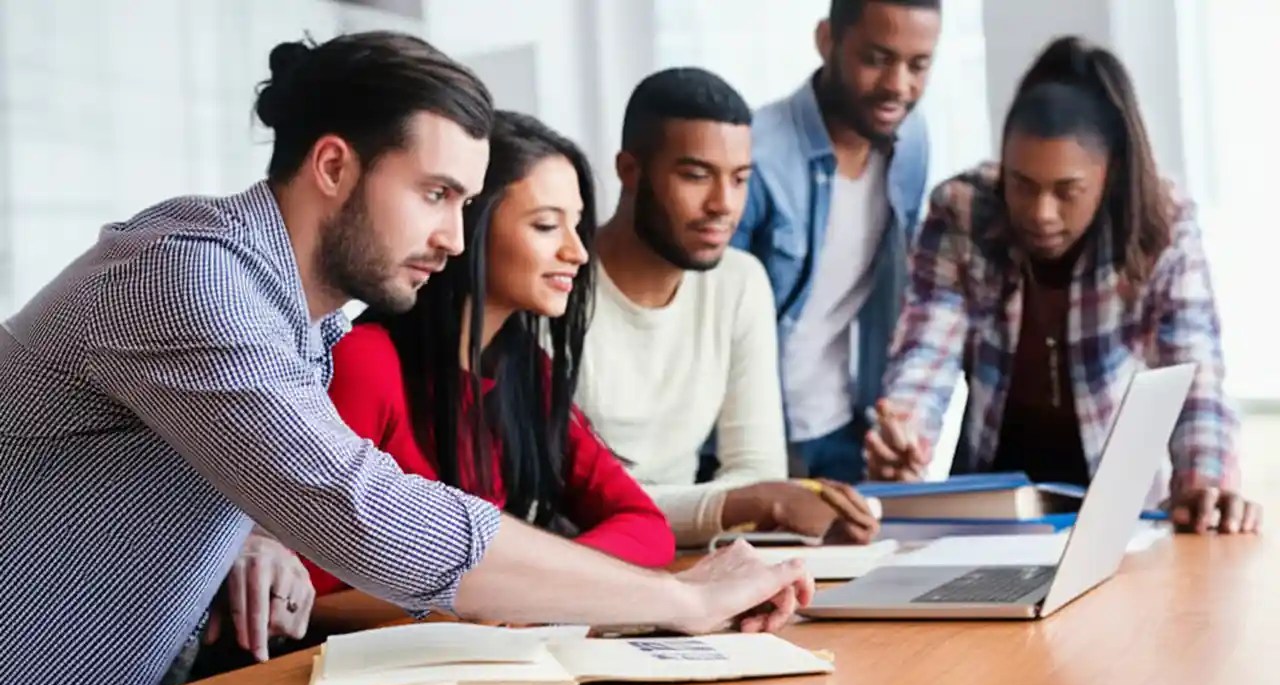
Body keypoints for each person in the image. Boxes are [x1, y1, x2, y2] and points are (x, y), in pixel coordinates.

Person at [0, 33, 813, 685]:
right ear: (332, 167)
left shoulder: (290, 314)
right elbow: (369, 515)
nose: (456, 240)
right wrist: (684, 600)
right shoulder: (191, 281)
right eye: (435, 194)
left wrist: (252, 534)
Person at [866, 36, 1262, 535]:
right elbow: (925, 352)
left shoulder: (1162, 224)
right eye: (1021, 184)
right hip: (993, 507)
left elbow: (1195, 373)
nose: (1040, 213)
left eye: (1067, 191)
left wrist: (1206, 484)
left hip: (1121, 515)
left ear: (1107, 175)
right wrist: (907, 440)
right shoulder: (962, 211)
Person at [299, 110, 676, 600]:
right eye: (545, 226)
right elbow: (313, 586)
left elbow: (646, 526)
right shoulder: (365, 361)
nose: (578, 252)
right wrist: (506, 594)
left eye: (577, 226)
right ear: (469, 227)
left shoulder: (523, 371)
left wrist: (529, 590)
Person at [575, 67, 880, 550]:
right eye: (696, 176)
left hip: (686, 561)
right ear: (630, 172)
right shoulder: (558, 287)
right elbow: (567, 509)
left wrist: (752, 503)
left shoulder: (740, 282)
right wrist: (745, 505)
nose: (723, 204)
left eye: (739, 179)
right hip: (580, 569)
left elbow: (757, 471)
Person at [730, 0, 941, 483]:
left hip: (844, 428)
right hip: (754, 443)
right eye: (876, 58)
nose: (898, 85)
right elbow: (716, 324)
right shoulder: (755, 157)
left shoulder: (912, 138)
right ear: (827, 41)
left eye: (918, 65)